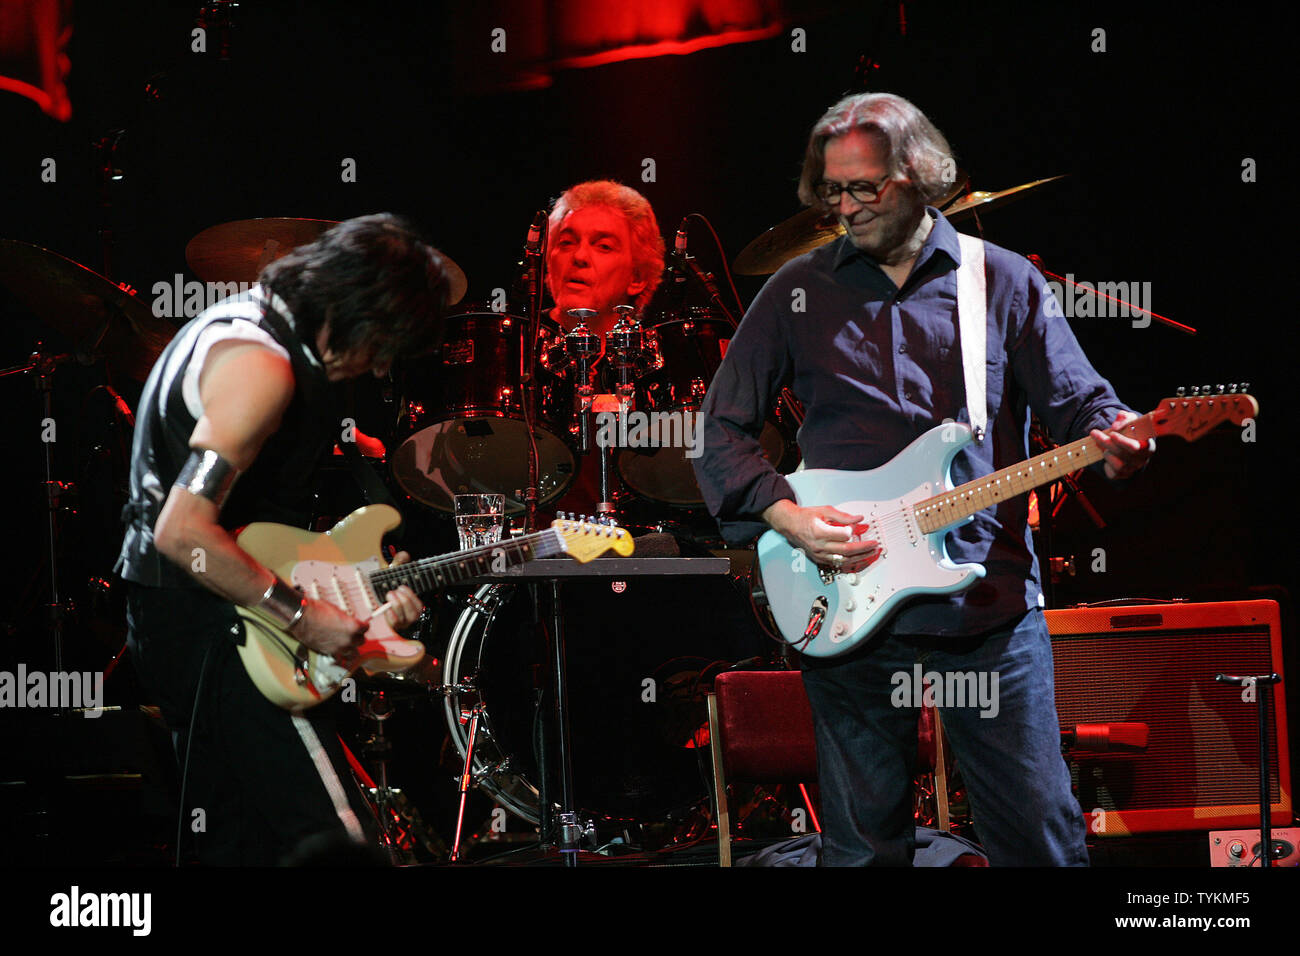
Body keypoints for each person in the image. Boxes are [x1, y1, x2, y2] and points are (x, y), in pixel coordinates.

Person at [693, 93, 1153, 866]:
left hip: (988, 600)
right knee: (865, 850)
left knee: (1039, 836)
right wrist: (785, 516)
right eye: (831, 191)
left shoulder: (1000, 281)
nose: (844, 207)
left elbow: (1083, 405)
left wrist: (1118, 439)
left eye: (863, 188)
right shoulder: (798, 291)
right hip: (847, 596)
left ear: (918, 177)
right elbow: (717, 431)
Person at [116, 213, 455, 864]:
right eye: (386, 346)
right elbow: (181, 530)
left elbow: (246, 526)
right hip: (215, 623)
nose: (379, 366)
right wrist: (303, 619)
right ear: (365, 315)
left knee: (238, 844)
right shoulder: (261, 368)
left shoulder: (245, 325)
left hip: (185, 617)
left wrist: (358, 595)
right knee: (337, 842)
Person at [545, 179, 665, 340]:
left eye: (604, 246)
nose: (579, 256)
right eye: (567, 242)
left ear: (637, 277)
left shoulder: (659, 356)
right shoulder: (515, 342)